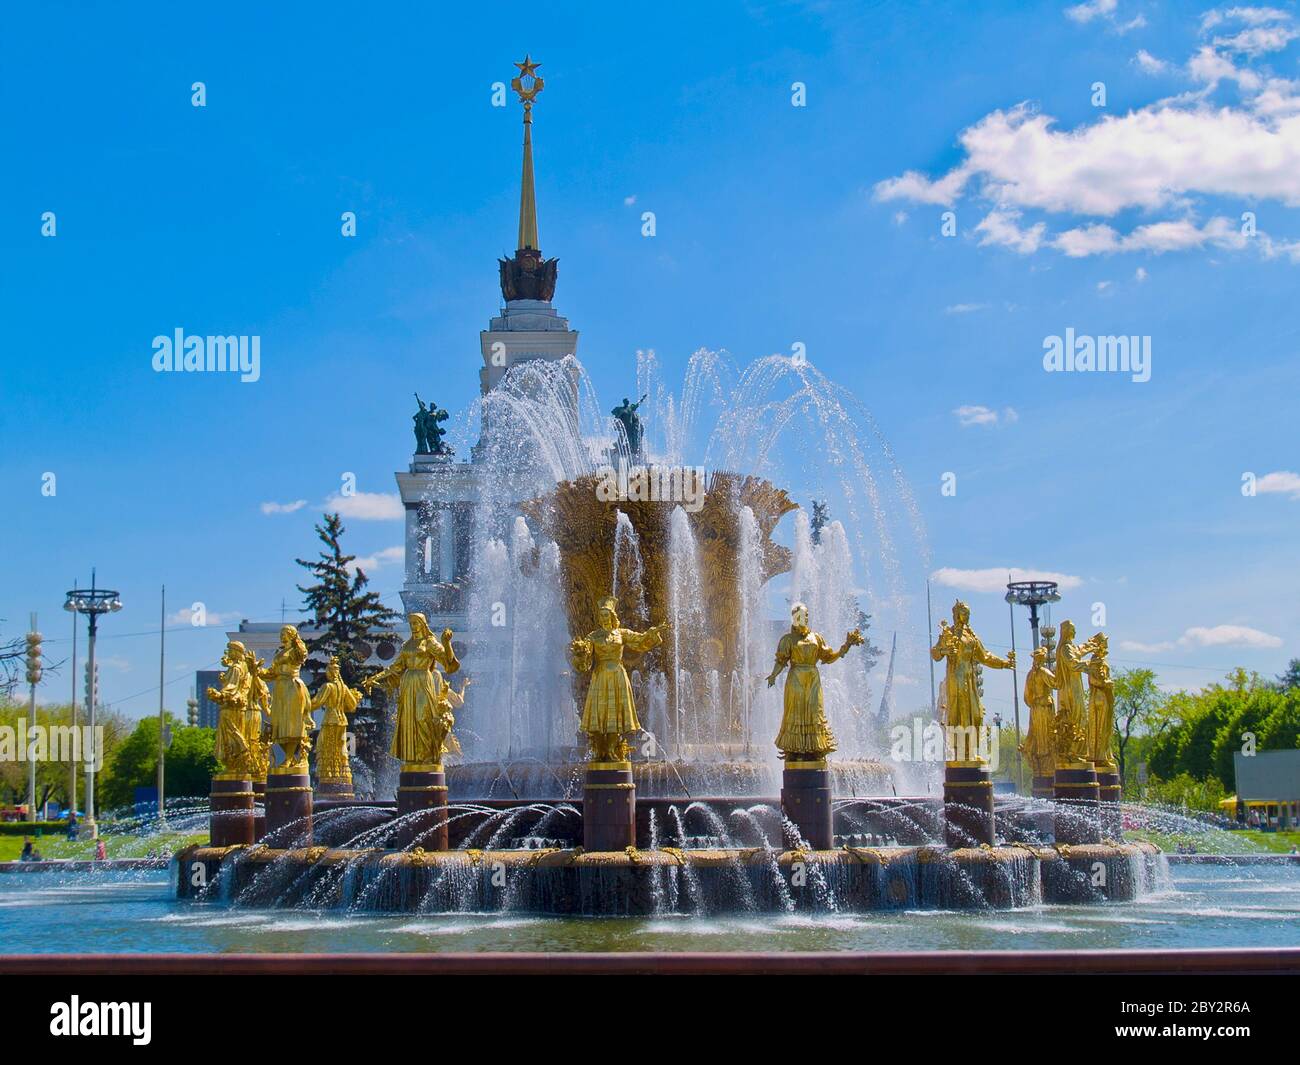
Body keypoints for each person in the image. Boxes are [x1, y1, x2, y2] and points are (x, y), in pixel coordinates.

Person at [570, 597, 667, 762]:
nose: (604, 618)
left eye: (606, 614)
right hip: (600, 676)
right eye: (601, 615)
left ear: (612, 616)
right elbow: (584, 661)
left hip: (617, 675)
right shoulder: (592, 637)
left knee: (615, 712)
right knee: (600, 712)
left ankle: (611, 749)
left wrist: (653, 633)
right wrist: (580, 653)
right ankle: (599, 749)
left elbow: (640, 640)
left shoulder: (622, 633)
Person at [767, 601, 863, 760]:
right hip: (795, 678)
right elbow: (781, 661)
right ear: (794, 618)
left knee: (815, 711)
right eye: (798, 616)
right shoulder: (787, 639)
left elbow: (828, 657)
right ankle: (794, 751)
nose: (802, 619)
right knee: (795, 713)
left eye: (804, 616)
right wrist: (773, 675)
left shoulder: (816, 638)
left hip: (812, 678)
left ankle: (816, 750)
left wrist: (845, 646)